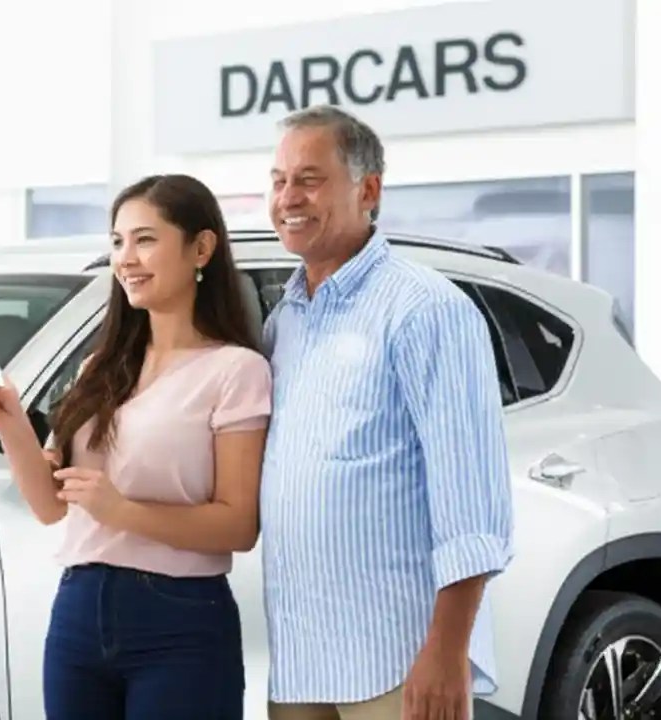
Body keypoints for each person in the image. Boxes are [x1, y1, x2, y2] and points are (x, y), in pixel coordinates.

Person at [258, 104, 515, 720]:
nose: (288, 197)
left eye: (310, 179)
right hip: (301, 663)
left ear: (367, 190)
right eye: (278, 180)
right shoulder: (284, 322)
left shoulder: (426, 309)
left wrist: (448, 651)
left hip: (398, 659)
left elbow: (472, 502)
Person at [0, 173, 272, 719]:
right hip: (77, 613)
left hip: (180, 622)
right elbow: (49, 506)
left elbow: (238, 526)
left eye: (144, 239)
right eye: (117, 241)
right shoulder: (100, 368)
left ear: (201, 247)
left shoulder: (236, 371)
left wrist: (121, 510)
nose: (126, 258)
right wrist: (13, 424)